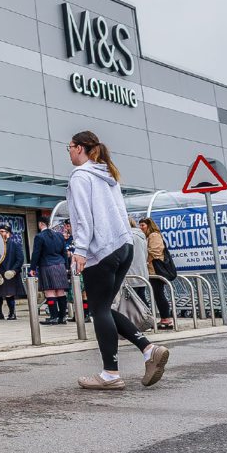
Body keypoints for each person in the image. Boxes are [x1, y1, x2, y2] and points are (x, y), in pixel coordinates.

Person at [66, 131, 169, 390]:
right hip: (124, 245)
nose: (68, 152)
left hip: (101, 249)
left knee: (99, 310)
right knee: (104, 309)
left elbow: (83, 218)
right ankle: (148, 349)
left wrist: (79, 250)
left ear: (79, 148)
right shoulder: (108, 174)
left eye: (69, 147)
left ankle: (110, 374)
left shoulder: (81, 176)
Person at [137, 217, 176, 330]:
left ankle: (166, 319)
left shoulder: (154, 235)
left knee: (159, 294)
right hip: (152, 270)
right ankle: (164, 318)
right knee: (157, 293)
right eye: (140, 225)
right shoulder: (147, 236)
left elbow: (155, 252)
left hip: (156, 270)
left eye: (143, 225)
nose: (141, 227)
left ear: (149, 225)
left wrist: (145, 261)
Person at [31, 217, 70, 325]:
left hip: (47, 265)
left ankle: (54, 317)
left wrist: (32, 268)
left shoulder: (39, 237)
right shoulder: (59, 235)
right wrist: (66, 266)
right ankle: (62, 317)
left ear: (41, 224)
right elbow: (64, 252)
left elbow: (36, 254)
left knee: (49, 291)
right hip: (60, 265)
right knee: (60, 292)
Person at [0, 225, 22, 320]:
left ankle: (12, 313)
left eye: (3, 231)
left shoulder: (15, 245)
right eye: (0, 231)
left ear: (8, 233)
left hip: (9, 273)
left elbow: (20, 259)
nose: (1, 233)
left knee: (9, 293)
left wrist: (13, 271)